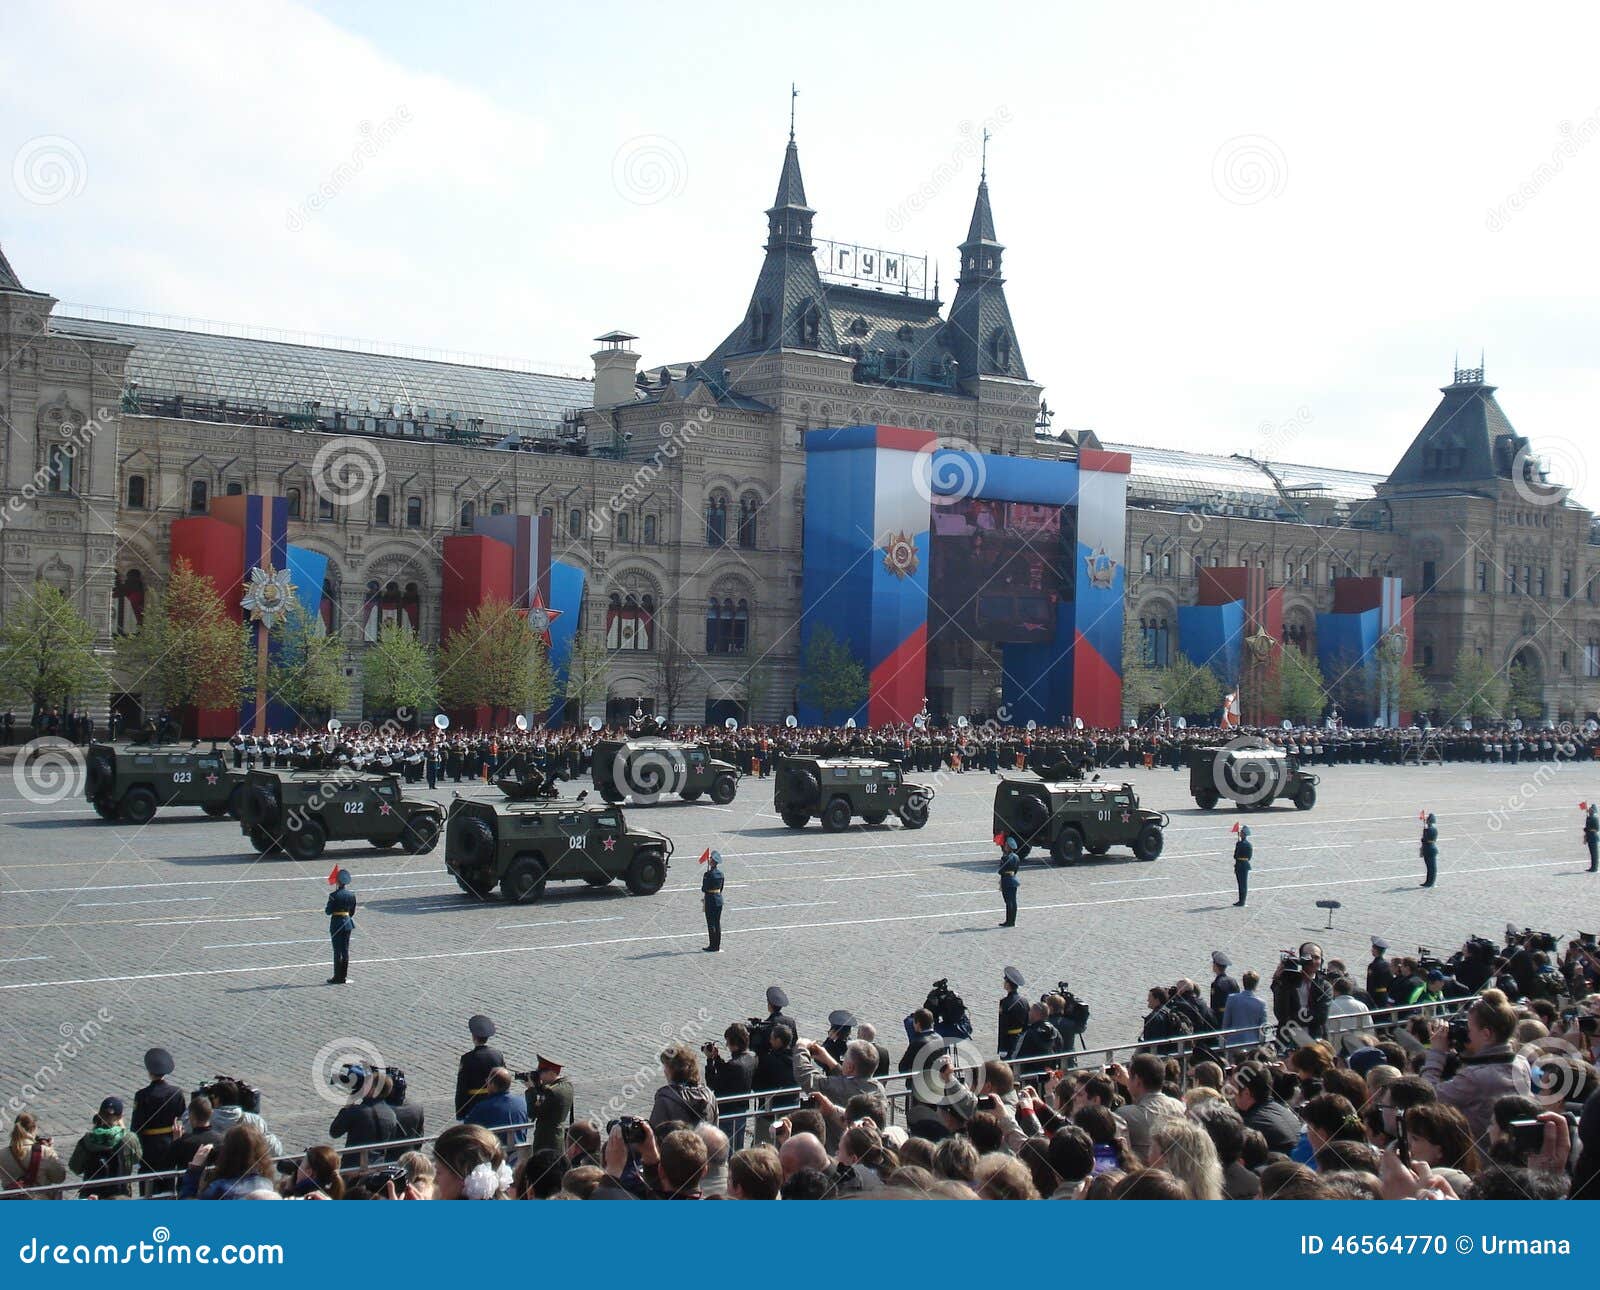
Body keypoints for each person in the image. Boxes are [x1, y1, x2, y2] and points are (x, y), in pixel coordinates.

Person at [1419, 990, 1531, 1145]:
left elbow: (1425, 1097)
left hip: (1479, 1159)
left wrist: (1437, 1052)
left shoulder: (1474, 1078)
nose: (1465, 1033)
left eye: (1468, 1029)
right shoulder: (1521, 1063)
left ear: (1486, 1034)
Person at [131, 1046, 185, 1189]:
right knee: (168, 1179)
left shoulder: (142, 1095)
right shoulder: (176, 1093)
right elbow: (182, 1117)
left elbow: (137, 1126)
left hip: (149, 1146)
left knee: (148, 1181)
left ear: (149, 1072)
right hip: (169, 1143)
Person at [68, 1097, 143, 1198]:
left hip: (91, 1196)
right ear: (120, 1116)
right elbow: (136, 1159)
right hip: (120, 1196)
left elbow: (75, 1167)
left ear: (99, 1115)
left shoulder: (87, 1140)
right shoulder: (129, 1138)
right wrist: (123, 1130)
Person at [329, 1070, 401, 1166]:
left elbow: (334, 1132)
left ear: (373, 1090)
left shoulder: (357, 1111)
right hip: (377, 1166)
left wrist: (347, 1107)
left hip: (353, 1167)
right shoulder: (391, 1115)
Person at [705, 1025, 758, 1150]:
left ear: (732, 1043)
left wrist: (709, 1061)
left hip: (727, 1114)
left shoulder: (733, 1066)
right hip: (742, 1112)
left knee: (724, 1151)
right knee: (737, 1148)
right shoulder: (752, 1059)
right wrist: (716, 1058)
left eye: (727, 1042)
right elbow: (728, 1070)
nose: (727, 1045)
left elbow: (712, 1083)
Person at [650, 1044, 719, 1131]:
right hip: (704, 1143)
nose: (664, 1071)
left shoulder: (665, 1099)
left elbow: (654, 1132)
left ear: (671, 1071)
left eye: (666, 1067)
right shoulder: (709, 1096)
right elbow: (715, 1128)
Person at [1, 1113, 67, 1197]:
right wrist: (50, 1150)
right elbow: (59, 1178)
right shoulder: (45, 1152)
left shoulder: (2, 1154)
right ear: (34, 1128)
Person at [455, 1014, 505, 1119]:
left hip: (474, 1104)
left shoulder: (467, 1058)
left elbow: (462, 1087)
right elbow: (504, 1081)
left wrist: (460, 1112)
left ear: (473, 1037)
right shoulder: (498, 1055)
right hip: (495, 1101)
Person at [462, 1067, 527, 1146]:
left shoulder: (482, 1107)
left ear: (492, 1084)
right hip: (518, 1153)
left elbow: (465, 1130)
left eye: (488, 1080)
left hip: (496, 1154)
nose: (486, 1082)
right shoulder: (523, 1103)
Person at [525, 1056, 573, 1153]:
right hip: (558, 1137)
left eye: (541, 1073)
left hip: (545, 1140)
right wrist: (538, 1088)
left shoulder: (551, 1092)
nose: (539, 1077)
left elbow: (532, 1113)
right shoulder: (567, 1086)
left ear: (551, 1073)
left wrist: (531, 1090)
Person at [1221, 969, 1268, 1055]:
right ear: (1256, 984)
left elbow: (1226, 1023)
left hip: (1233, 1043)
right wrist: (1262, 1046)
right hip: (1251, 1043)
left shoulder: (1232, 998)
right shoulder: (1261, 1004)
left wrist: (1223, 1042)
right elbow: (1263, 1028)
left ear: (1243, 983)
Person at [325, 867, 355, 984]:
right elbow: (352, 912)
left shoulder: (333, 895)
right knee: (345, 950)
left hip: (336, 924)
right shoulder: (351, 895)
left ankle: (337, 976)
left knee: (337, 951)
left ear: (337, 882)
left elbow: (328, 911)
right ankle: (343, 976)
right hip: (348, 923)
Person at [998, 966, 1029, 1057]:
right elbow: (1027, 1023)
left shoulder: (1005, 1002)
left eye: (1005, 981)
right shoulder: (1024, 1001)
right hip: (1020, 1039)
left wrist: (1002, 1047)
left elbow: (1003, 1026)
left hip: (1008, 1041)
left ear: (1008, 984)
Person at [701, 849, 724, 951]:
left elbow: (704, 889)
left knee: (710, 923)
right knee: (717, 923)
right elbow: (721, 888)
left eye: (710, 859)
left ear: (712, 862)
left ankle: (712, 945)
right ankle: (717, 945)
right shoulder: (721, 874)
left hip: (710, 900)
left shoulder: (708, 874)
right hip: (719, 900)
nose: (709, 860)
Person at [998, 837, 1021, 928]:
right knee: (1013, 901)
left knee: (1008, 901)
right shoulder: (1016, 857)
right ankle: (1012, 921)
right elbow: (1016, 870)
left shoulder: (1005, 857)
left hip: (1006, 880)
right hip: (1014, 879)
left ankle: (1009, 921)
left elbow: (1000, 870)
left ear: (1008, 846)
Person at [1367, 937, 1395, 1010]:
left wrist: (1368, 998)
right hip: (1385, 995)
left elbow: (1370, 984)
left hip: (1375, 997)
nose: (1371, 950)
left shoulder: (1373, 966)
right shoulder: (1388, 964)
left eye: (1373, 948)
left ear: (1375, 950)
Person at [1209, 951, 1239, 1017]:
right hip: (1233, 1016)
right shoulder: (1233, 981)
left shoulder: (1216, 984)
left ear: (1215, 966)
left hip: (1220, 1017)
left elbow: (1214, 1006)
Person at [1231, 823, 1252, 906]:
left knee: (1242, 884)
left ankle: (1242, 901)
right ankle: (1241, 900)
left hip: (1240, 865)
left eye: (1242, 833)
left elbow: (1235, 855)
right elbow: (1249, 857)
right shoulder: (1248, 844)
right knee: (1242, 884)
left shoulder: (1240, 844)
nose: (1240, 834)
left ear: (1244, 834)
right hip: (1244, 864)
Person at [1419, 811, 1438, 887]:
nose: (1426, 821)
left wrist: (1425, 832)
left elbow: (1426, 839)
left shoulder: (1431, 829)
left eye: (1428, 820)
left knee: (1431, 868)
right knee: (1429, 867)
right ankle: (1428, 881)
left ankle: (1431, 882)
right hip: (1427, 849)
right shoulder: (1429, 829)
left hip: (1430, 849)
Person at [1585, 802, 1598, 872]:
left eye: (1591, 810)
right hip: (1590, 837)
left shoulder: (1594, 818)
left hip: (1593, 838)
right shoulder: (1589, 818)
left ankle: (1594, 867)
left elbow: (1597, 828)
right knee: (1592, 854)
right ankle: (1592, 867)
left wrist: (1588, 829)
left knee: (1594, 854)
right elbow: (1587, 826)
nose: (1589, 810)